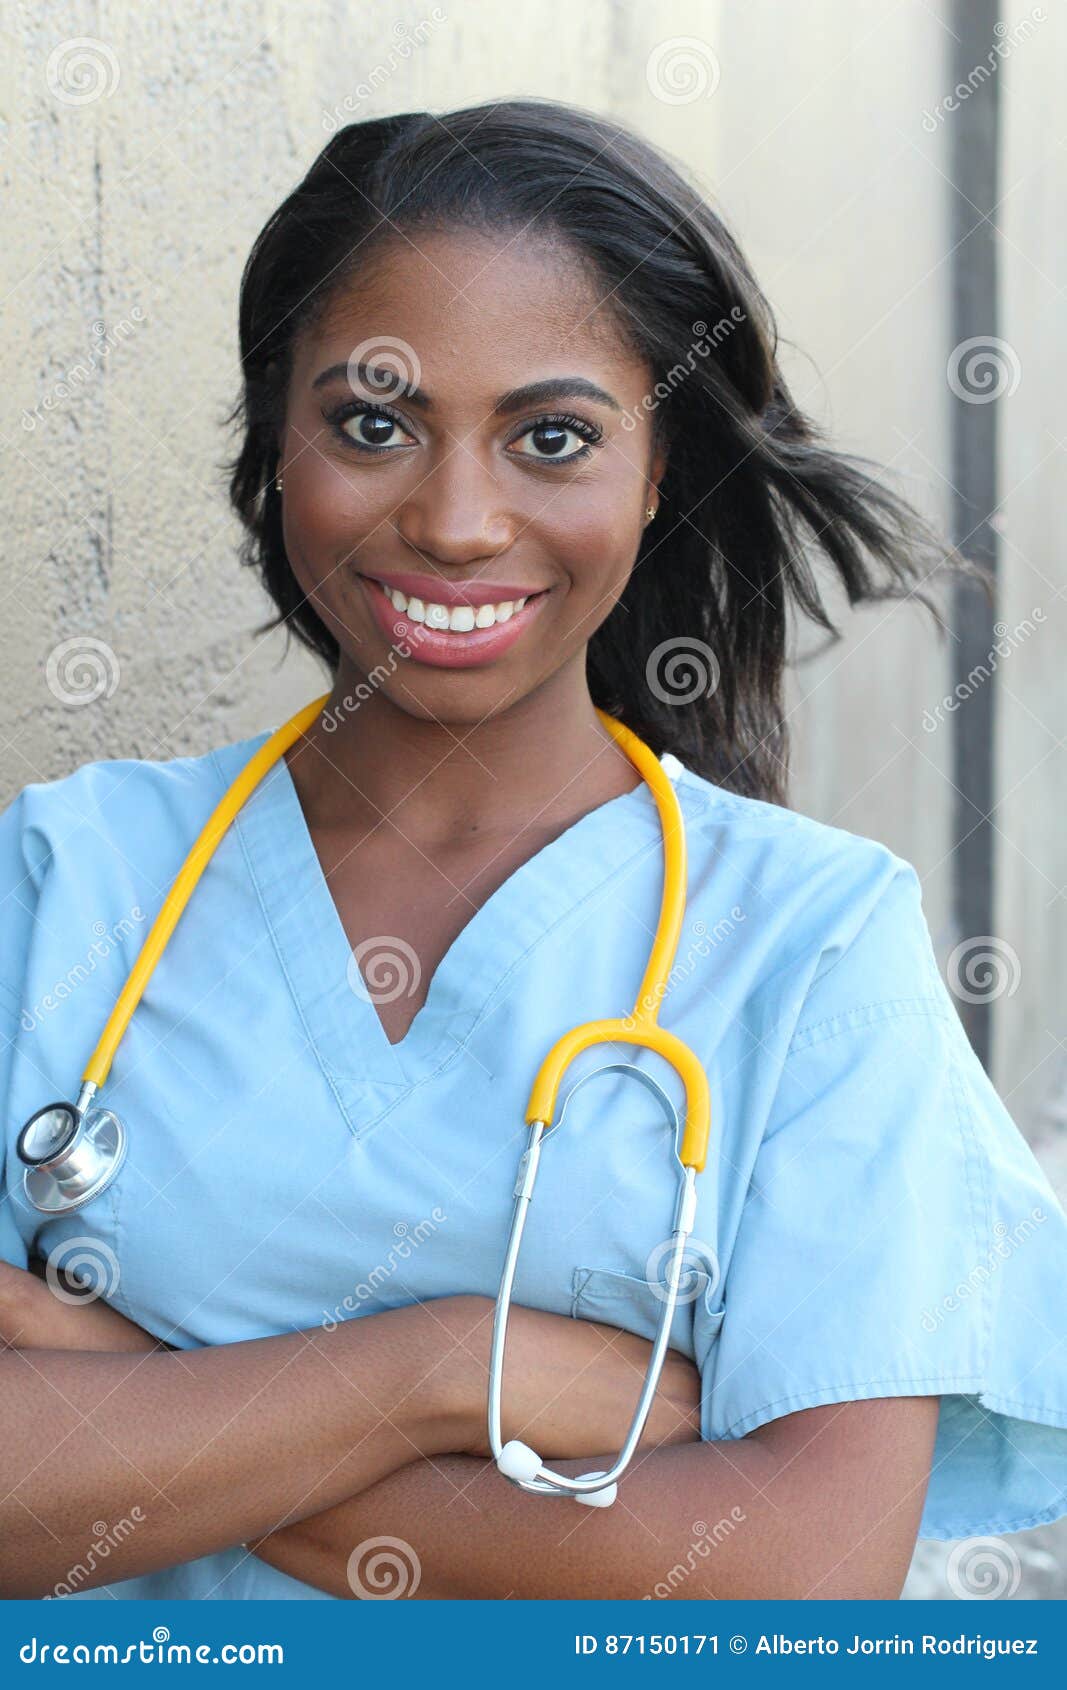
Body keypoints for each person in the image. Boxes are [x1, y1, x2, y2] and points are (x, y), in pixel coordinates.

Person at [1, 97, 1064, 1603]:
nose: (455, 521)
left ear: (657, 465)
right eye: (373, 424)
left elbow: (796, 1577)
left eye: (552, 438)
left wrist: (142, 1402)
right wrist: (438, 1369)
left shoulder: (812, 945)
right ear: (277, 444)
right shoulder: (60, 882)